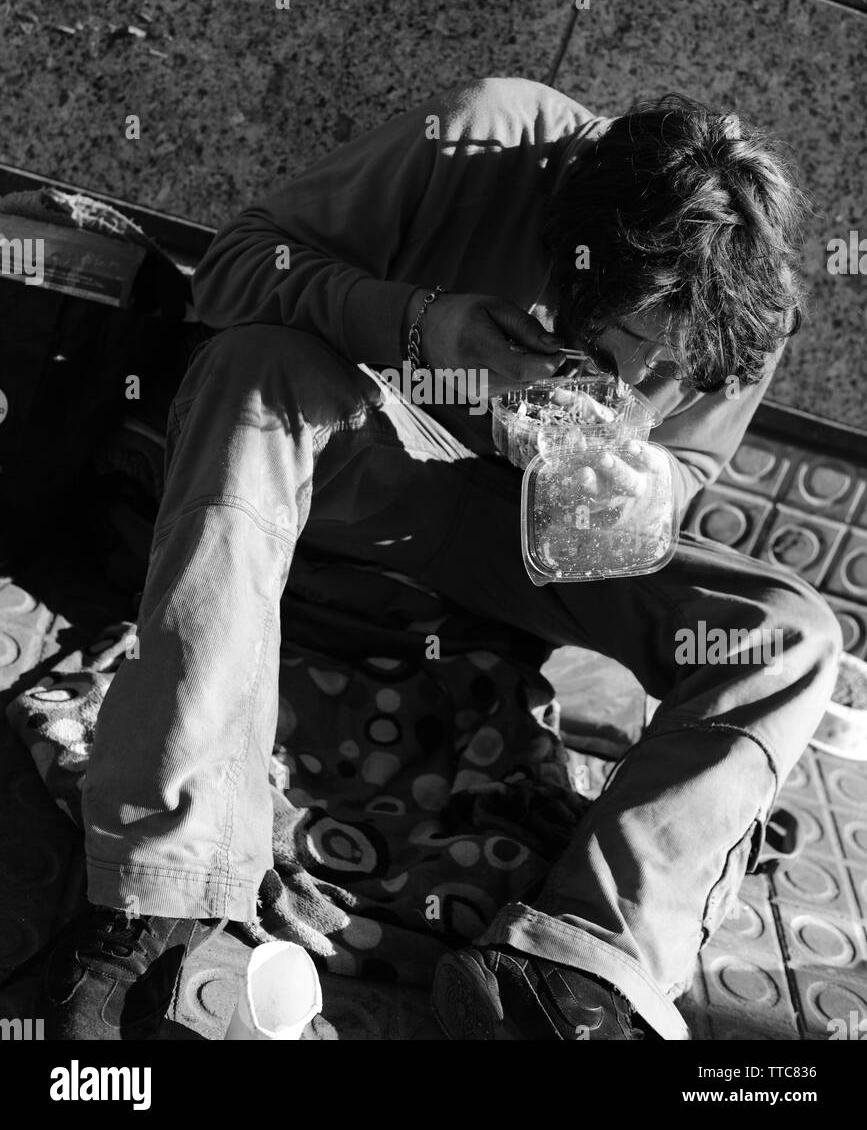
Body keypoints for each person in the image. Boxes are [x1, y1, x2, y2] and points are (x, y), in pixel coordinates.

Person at [39, 77, 840, 1040]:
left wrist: (652, 490)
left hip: (529, 554)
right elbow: (235, 272)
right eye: (621, 343)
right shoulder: (485, 141)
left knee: (787, 636)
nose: (636, 384)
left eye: (669, 371)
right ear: (570, 256)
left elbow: (692, 466)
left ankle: (573, 975)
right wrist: (421, 325)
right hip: (363, 474)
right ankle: (163, 886)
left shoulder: (744, 305)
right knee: (256, 368)